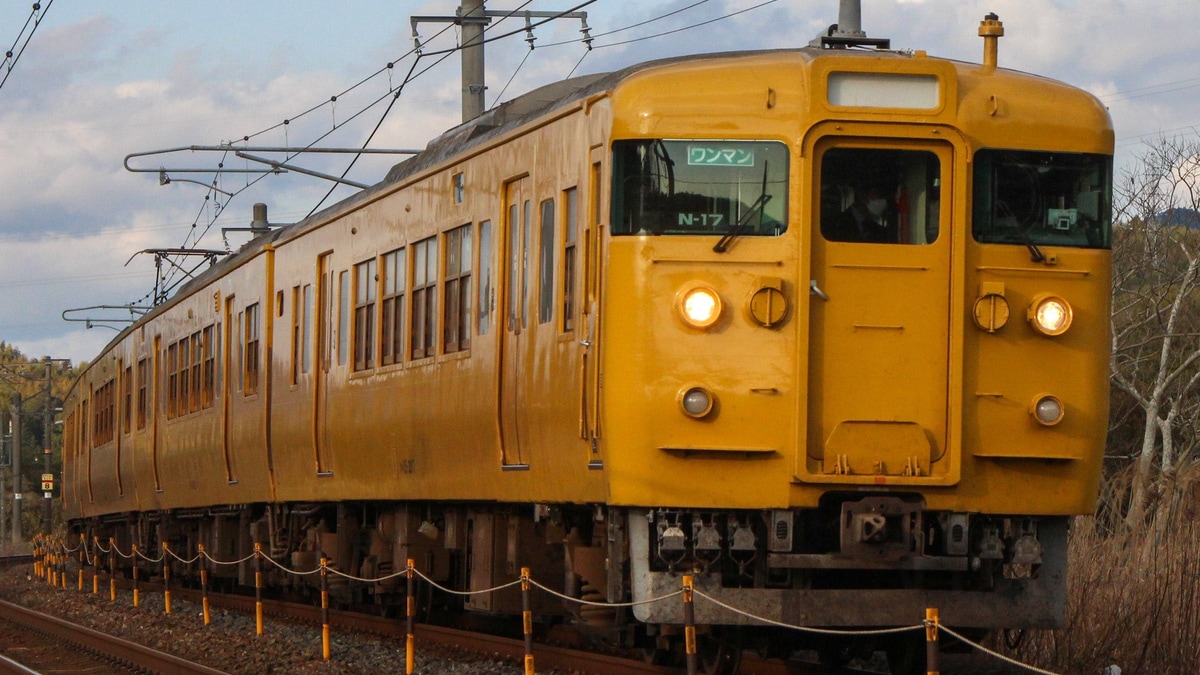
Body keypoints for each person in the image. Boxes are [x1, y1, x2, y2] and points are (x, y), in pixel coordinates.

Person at [825, 183, 895, 243]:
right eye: (875, 193)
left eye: (882, 196)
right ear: (862, 195)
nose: (880, 198)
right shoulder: (834, 225)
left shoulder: (880, 231)